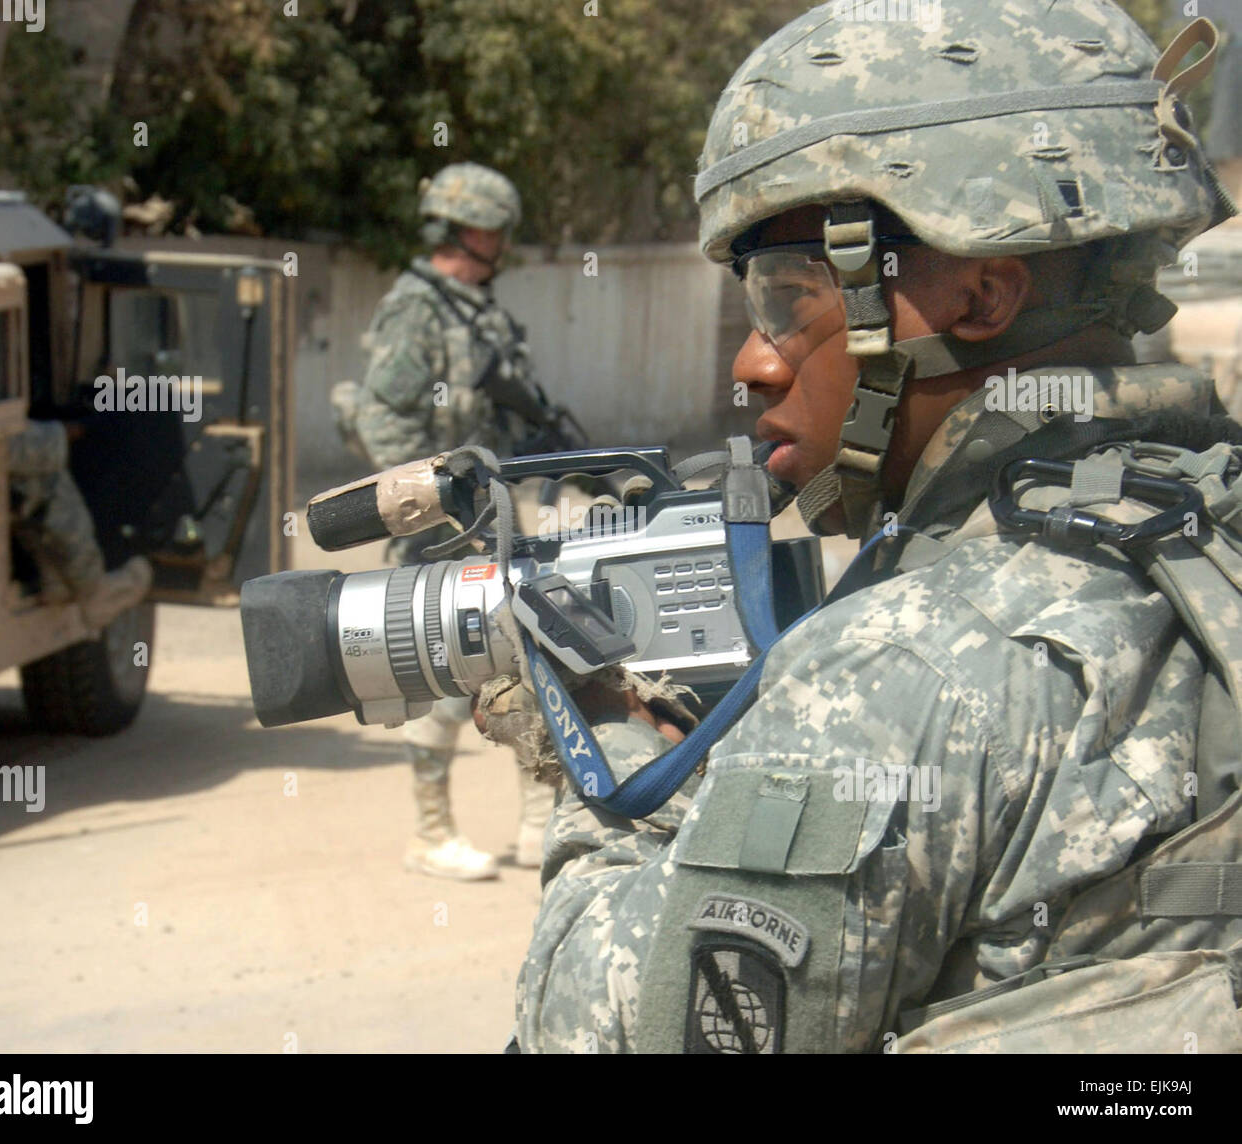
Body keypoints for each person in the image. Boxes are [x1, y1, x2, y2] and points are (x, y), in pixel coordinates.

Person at [480, 1, 1242, 1052]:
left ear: (978, 296)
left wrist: (606, 766)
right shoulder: (1207, 532)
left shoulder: (903, 668)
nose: (753, 362)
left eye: (788, 297)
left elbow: (611, 1034)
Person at [332, 162, 553, 881]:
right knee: (438, 675)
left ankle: (538, 822)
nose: (503, 241)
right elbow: (381, 417)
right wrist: (432, 495)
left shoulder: (479, 307)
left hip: (494, 522)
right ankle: (431, 833)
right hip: (437, 530)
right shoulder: (416, 309)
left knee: (525, 659)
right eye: (495, 228)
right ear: (467, 228)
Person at [8, 419, 152, 628]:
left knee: (27, 489)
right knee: (48, 480)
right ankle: (93, 591)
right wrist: (62, 433)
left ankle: (57, 580)